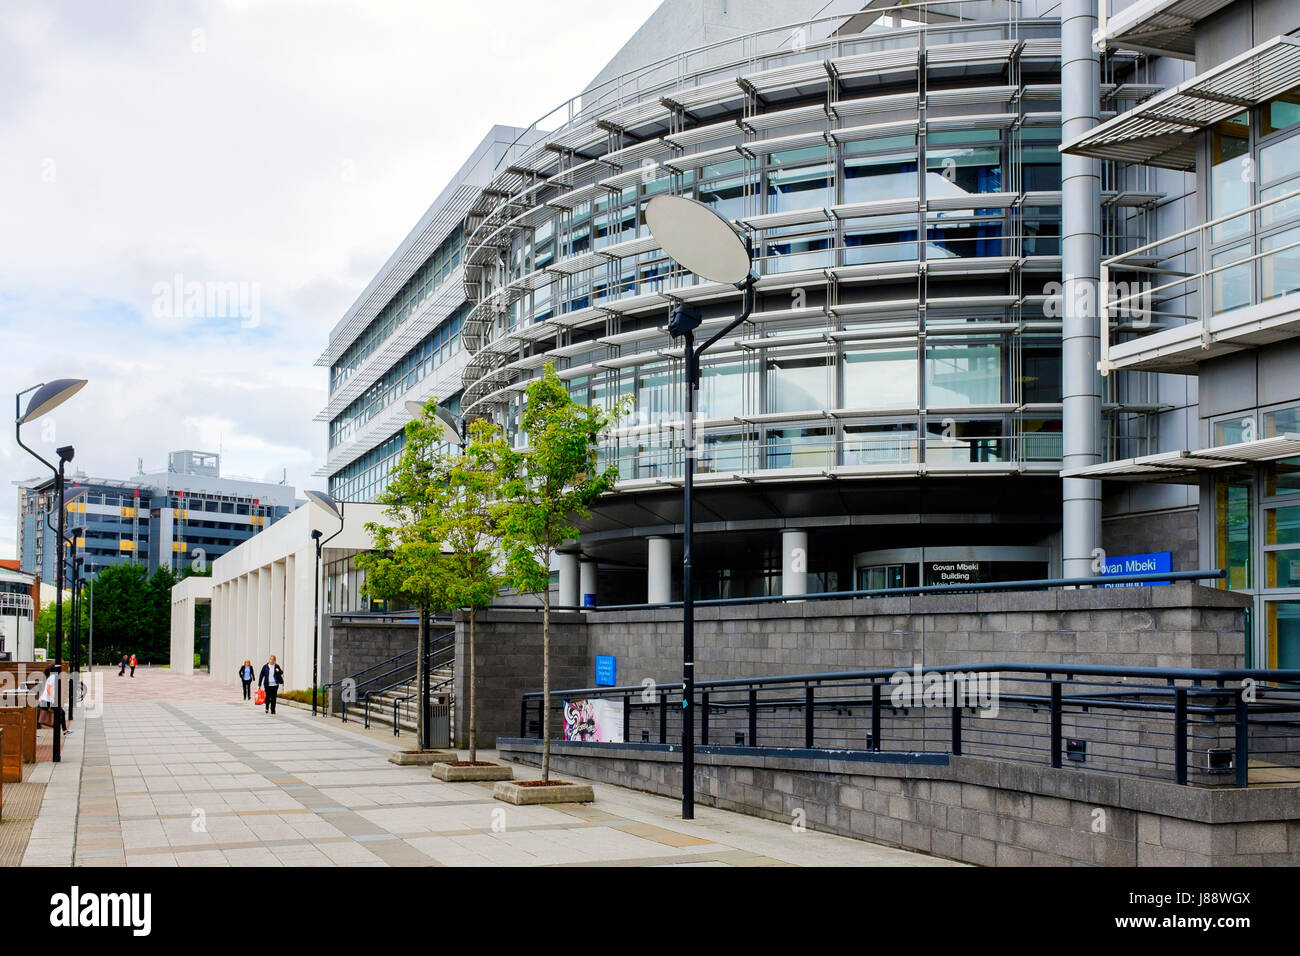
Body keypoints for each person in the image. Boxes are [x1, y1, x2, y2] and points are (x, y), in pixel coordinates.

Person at [37, 665, 69, 736]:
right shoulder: (53, 677)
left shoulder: (52, 677)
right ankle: (65, 731)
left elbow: (46, 688)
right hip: (48, 700)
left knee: (39, 715)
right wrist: (52, 698)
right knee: (61, 713)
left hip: (46, 699)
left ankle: (65, 731)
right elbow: (48, 689)